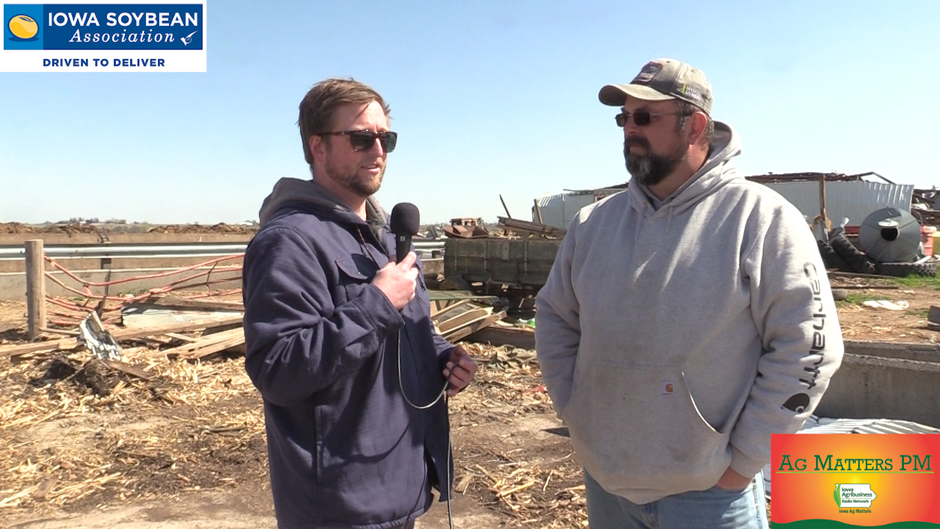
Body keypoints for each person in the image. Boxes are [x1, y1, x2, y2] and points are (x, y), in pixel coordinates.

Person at [534, 58, 844, 528]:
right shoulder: (592, 225)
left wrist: (743, 463)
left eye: (645, 117)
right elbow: (555, 317)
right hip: (607, 483)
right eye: (624, 118)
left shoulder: (760, 220)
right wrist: (577, 411)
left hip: (708, 498)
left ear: (695, 125)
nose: (629, 130)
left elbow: (809, 350)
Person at [242, 77, 478, 529]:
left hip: (399, 482)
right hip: (341, 504)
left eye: (385, 138)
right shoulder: (290, 241)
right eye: (361, 138)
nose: (378, 149)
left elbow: (412, 331)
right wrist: (375, 304)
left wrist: (442, 358)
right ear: (318, 147)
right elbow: (278, 369)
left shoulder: (387, 239)